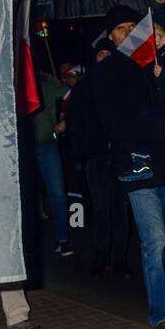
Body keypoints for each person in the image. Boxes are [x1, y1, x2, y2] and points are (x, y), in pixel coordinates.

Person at [94, 4, 165, 329]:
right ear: (111, 36)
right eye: (119, 29)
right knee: (156, 241)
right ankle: (161, 316)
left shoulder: (158, 60)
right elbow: (115, 124)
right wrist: (162, 125)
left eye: (131, 27)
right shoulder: (108, 72)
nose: (126, 33)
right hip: (138, 166)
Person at [68, 41, 131, 279]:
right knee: (101, 209)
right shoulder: (85, 88)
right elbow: (75, 122)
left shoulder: (124, 85)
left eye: (108, 54)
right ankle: (101, 255)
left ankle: (120, 261)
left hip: (120, 156)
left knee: (120, 210)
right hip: (95, 158)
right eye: (100, 54)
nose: (104, 58)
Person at [31, 67, 73, 257]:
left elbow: (71, 96)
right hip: (20, 149)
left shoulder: (46, 79)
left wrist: (65, 120)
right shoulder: (9, 75)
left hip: (47, 144)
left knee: (57, 193)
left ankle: (63, 240)